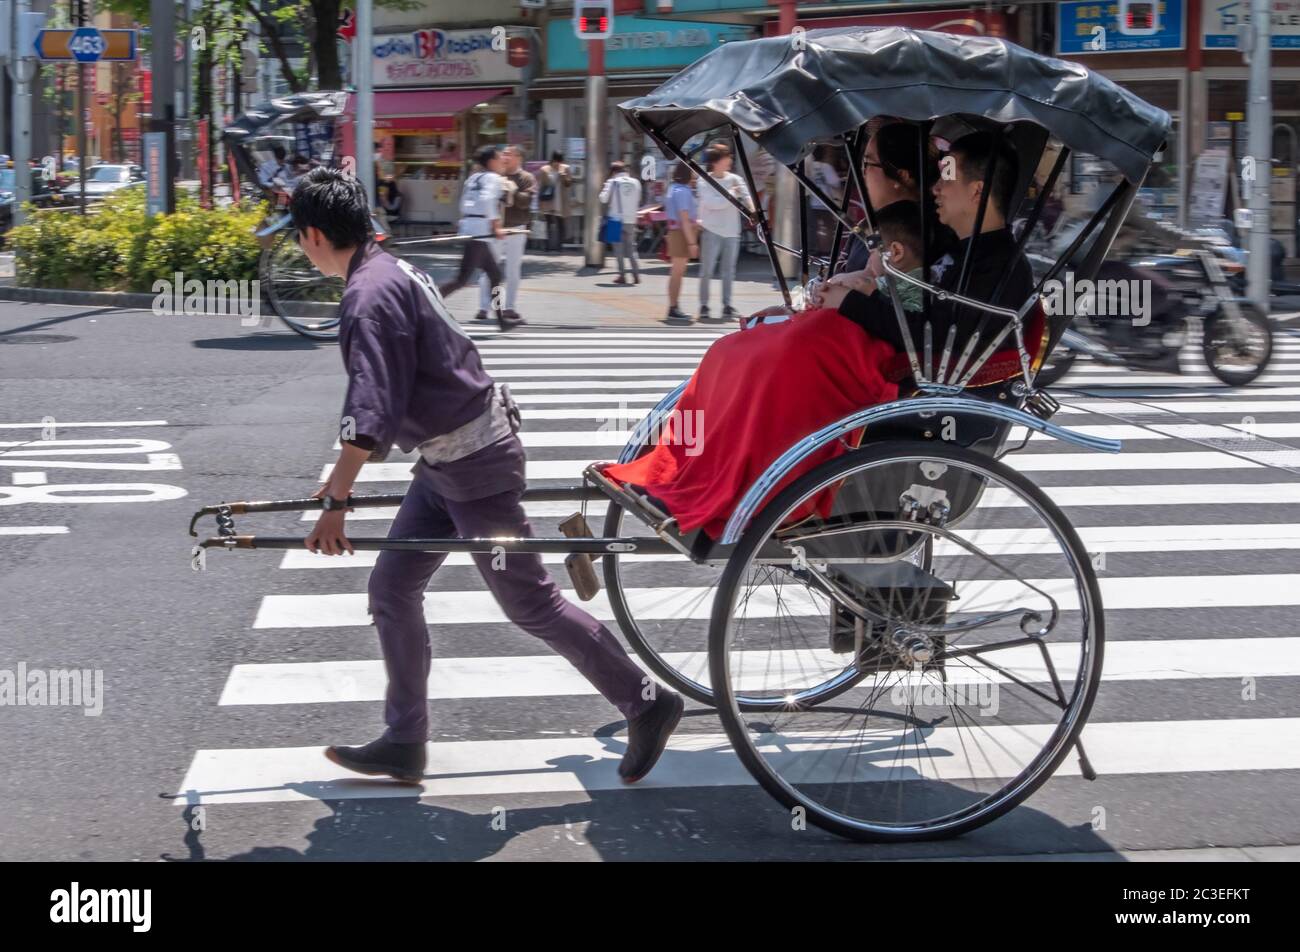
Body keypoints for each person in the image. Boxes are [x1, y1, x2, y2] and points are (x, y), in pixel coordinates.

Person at [289, 168, 683, 786]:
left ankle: (646, 700)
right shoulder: (390, 269)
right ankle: (404, 740)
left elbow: (370, 414)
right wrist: (339, 489)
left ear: (312, 234)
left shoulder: (367, 296)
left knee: (529, 601)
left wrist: (336, 500)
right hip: (449, 457)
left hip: (474, 461)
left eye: (296, 238)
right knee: (392, 588)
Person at [600, 133, 1034, 537]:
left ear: (977, 190)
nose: (936, 187)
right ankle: (689, 470)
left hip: (909, 374)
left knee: (785, 354)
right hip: (881, 345)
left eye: (948, 176)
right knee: (736, 350)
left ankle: (734, 485)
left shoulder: (1000, 265)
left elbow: (937, 334)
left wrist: (850, 304)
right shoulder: (953, 245)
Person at [601, 202, 928, 539]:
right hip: (834, 336)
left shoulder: (909, 283)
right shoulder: (882, 262)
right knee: (726, 353)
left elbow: (887, 313)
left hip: (866, 359)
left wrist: (853, 293)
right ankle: (680, 464)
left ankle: (727, 482)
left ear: (896, 252)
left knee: (773, 367)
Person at [438, 146, 520, 331]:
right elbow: (487, 201)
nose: (503, 161)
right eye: (500, 158)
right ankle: (427, 302)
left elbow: (463, 202)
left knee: (494, 275)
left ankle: (501, 321)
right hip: (479, 233)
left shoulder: (474, 177)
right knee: (462, 279)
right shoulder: (493, 179)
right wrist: (496, 225)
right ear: (491, 162)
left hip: (472, 228)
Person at [695, 143, 753, 321]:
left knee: (729, 270)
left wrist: (753, 212)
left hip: (732, 230)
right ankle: (704, 305)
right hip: (711, 229)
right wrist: (731, 195)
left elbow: (747, 196)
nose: (730, 160)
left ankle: (727, 305)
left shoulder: (735, 179)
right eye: (727, 157)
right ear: (716, 161)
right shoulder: (703, 180)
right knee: (707, 270)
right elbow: (713, 204)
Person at [490, 145, 534, 324]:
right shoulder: (495, 176)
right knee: (491, 270)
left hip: (516, 228)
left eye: (509, 154)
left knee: (512, 270)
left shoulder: (526, 177)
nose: (505, 157)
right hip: (496, 228)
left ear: (518, 158)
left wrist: (513, 191)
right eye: (503, 154)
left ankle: (509, 307)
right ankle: (487, 308)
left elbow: (527, 202)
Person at [663, 162, 699, 323]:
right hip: (682, 233)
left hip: (675, 231)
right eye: (693, 170)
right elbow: (684, 218)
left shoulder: (673, 188)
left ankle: (673, 306)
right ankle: (673, 308)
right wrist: (692, 243)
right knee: (678, 273)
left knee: (675, 273)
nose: (696, 174)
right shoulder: (683, 191)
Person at [599, 161, 643, 285]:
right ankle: (636, 275)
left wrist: (605, 186)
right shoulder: (636, 182)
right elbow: (638, 199)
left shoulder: (612, 182)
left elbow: (603, 199)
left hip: (615, 219)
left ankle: (622, 275)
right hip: (631, 219)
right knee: (631, 248)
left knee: (618, 249)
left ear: (613, 172)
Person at [537, 151, 573, 252]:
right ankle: (548, 245)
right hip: (548, 199)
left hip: (560, 200)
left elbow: (569, 184)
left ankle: (559, 246)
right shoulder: (544, 170)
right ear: (553, 160)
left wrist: (564, 176)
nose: (558, 164)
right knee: (548, 223)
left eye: (560, 161)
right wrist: (539, 202)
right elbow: (541, 186)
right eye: (557, 161)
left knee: (560, 223)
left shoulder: (566, 168)